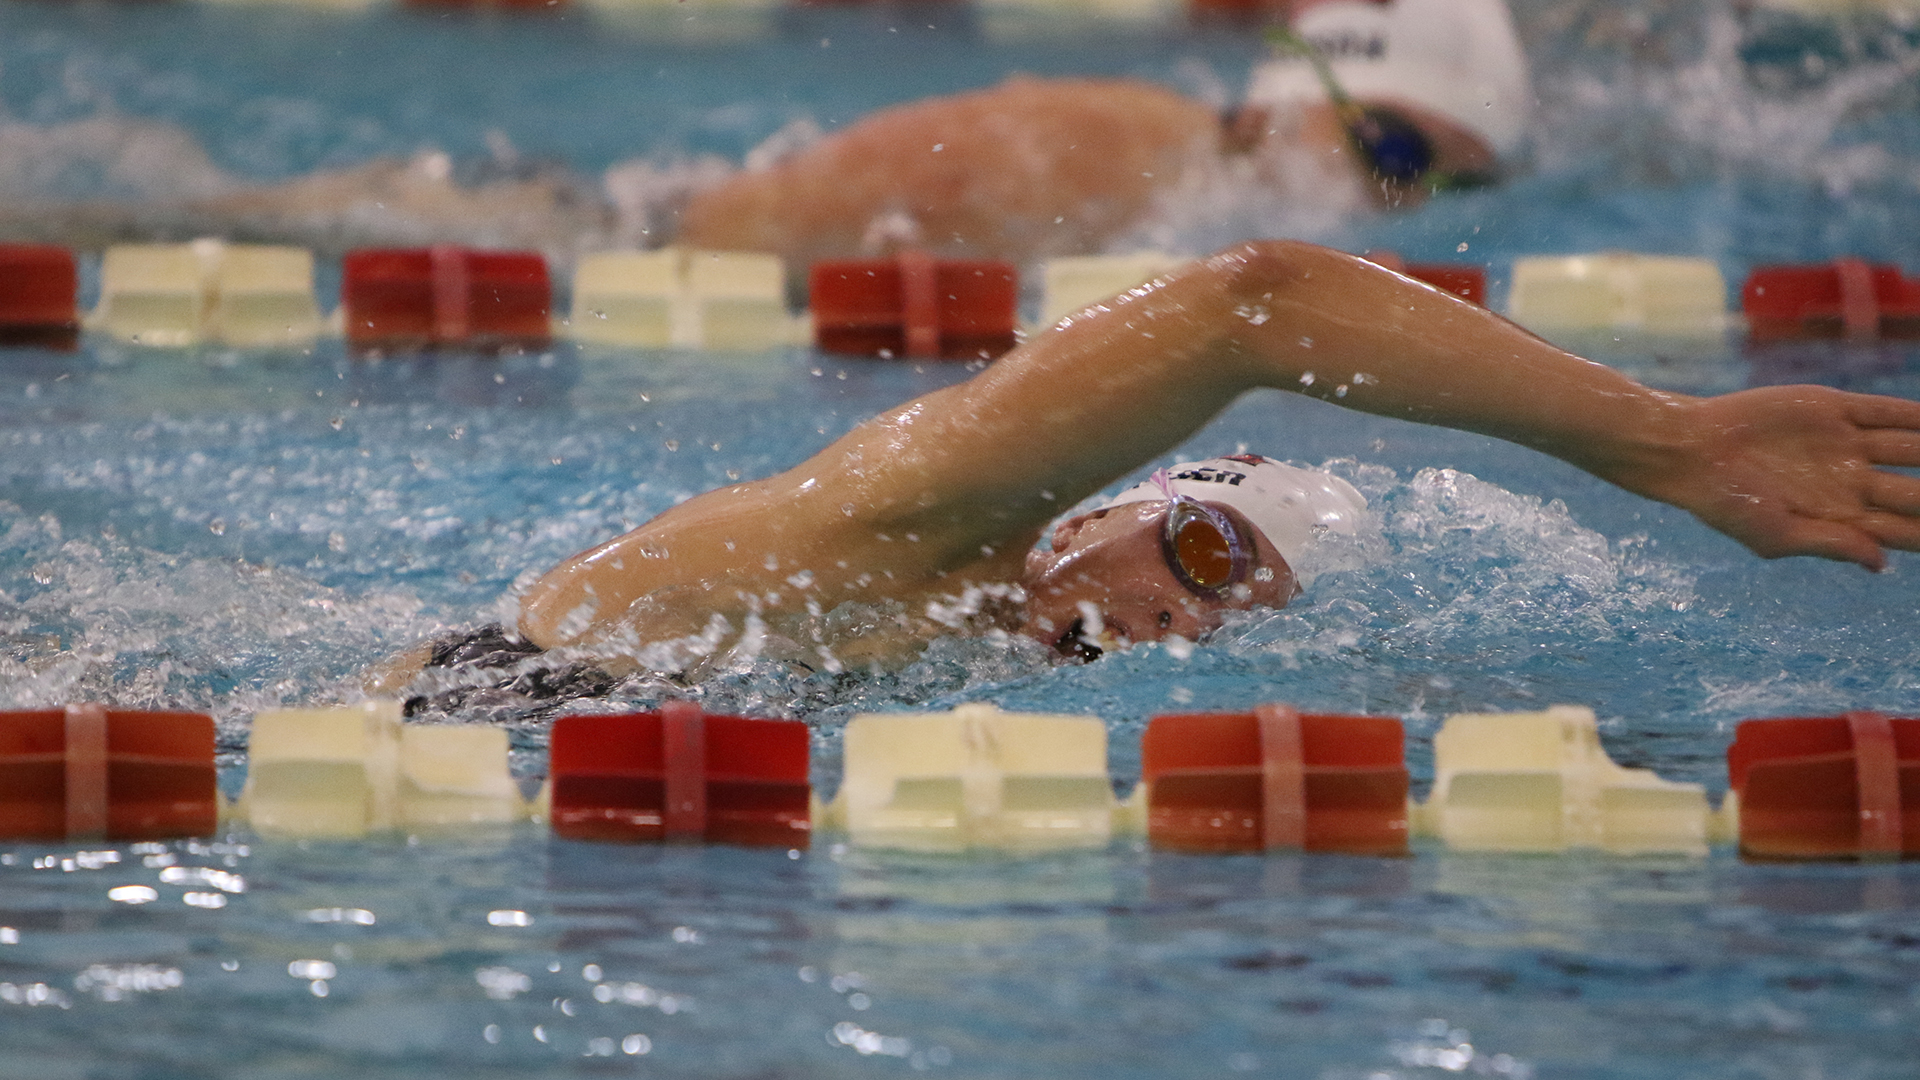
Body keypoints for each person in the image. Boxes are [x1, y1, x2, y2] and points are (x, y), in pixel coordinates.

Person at [372, 239, 1920, 705]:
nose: (1187, 625)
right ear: (1112, 507)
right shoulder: (922, 523)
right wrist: (1666, 438)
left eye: (1231, 611)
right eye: (1199, 559)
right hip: (442, 706)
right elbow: (1257, 303)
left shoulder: (968, 669)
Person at [678, 0, 1533, 269]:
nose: (1400, 201)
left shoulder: (1205, 202)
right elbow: (723, 226)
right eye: (1394, 153)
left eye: (1448, 185)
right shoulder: (1116, 145)